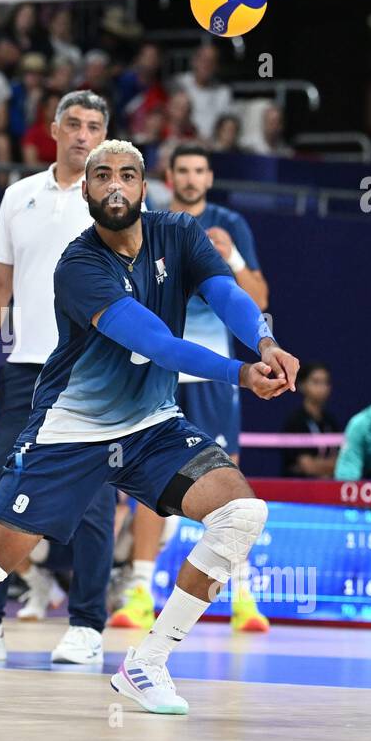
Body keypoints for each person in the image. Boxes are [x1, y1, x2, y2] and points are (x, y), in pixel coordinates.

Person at [0, 139, 299, 713]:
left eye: (129, 175)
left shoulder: (181, 233)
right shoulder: (78, 265)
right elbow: (156, 343)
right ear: (84, 189)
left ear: (144, 186)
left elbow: (228, 295)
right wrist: (241, 374)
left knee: (242, 513)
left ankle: (147, 664)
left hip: (151, 427)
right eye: (103, 175)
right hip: (70, 433)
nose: (116, 185)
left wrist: (264, 341)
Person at [0, 89, 119, 666]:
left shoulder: (118, 196)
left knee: (92, 500)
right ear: (54, 129)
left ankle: (86, 626)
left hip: (93, 372)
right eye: (75, 124)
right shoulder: (19, 196)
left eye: (95, 126)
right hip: (26, 368)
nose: (84, 135)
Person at [114, 144, 271, 633]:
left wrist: (232, 258)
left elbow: (260, 300)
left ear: (209, 176)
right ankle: (140, 591)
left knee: (229, 478)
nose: (191, 177)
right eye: (182, 169)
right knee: (149, 477)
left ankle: (242, 596)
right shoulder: (150, 221)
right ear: (169, 175)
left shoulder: (230, 223)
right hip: (159, 364)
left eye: (200, 170)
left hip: (213, 371)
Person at [281, 362, 340, 478]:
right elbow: (307, 466)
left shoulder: (331, 422)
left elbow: (340, 462)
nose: (322, 388)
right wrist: (328, 466)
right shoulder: (295, 422)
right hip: (298, 489)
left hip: (327, 488)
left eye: (325, 382)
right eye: (316, 382)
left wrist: (319, 465)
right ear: (302, 385)